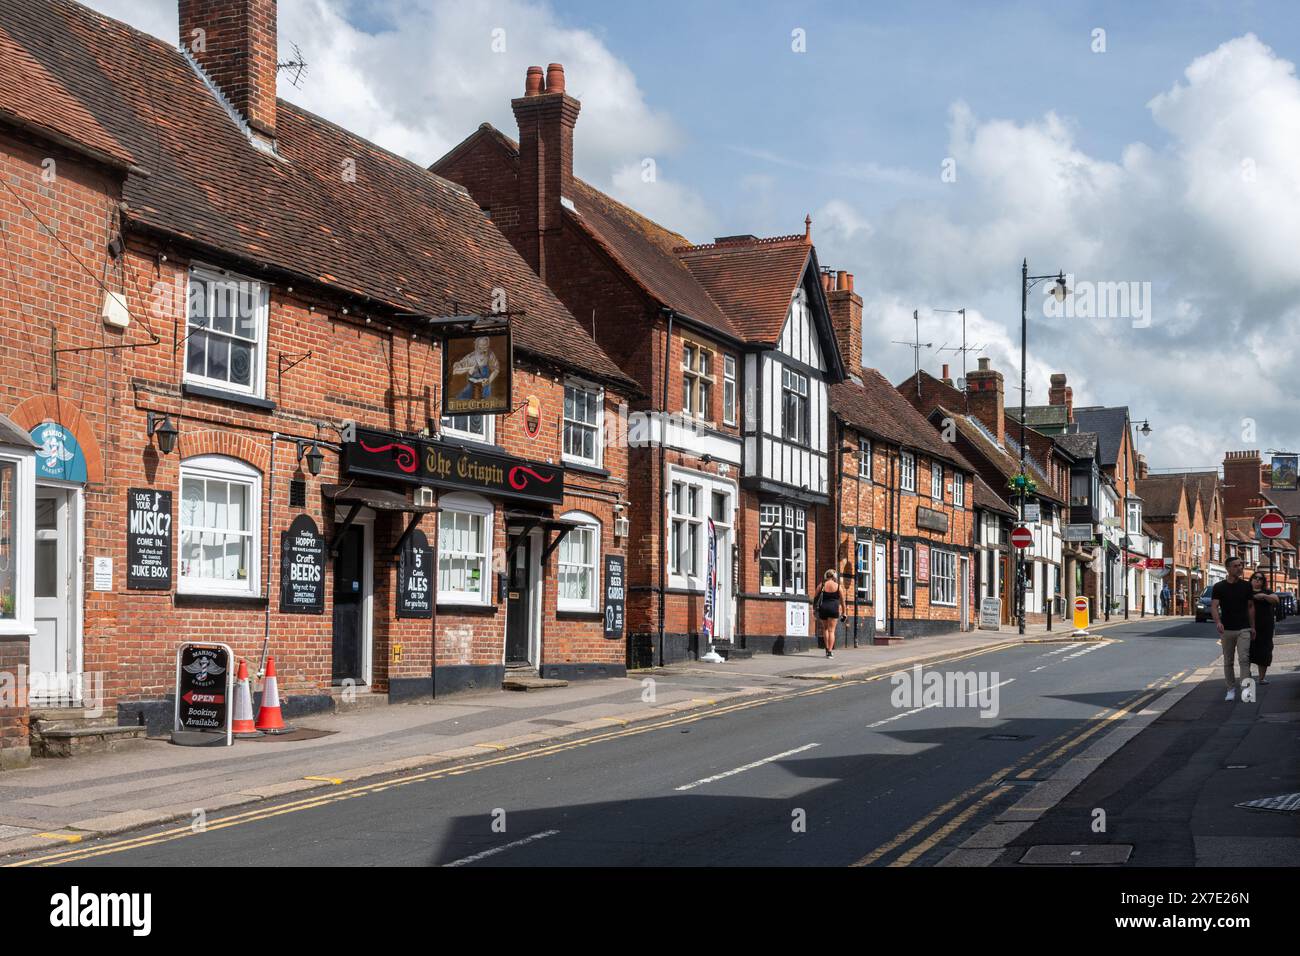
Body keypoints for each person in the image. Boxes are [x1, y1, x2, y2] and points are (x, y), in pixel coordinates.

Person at [1210, 557, 1255, 701]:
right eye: (1236, 566)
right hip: (1227, 629)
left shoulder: (1247, 586)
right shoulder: (1219, 587)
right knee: (1228, 661)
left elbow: (1250, 607)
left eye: (1241, 565)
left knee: (1244, 659)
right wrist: (1218, 622)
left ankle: (1246, 691)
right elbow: (1214, 606)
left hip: (1244, 628)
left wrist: (1252, 627)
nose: (1240, 568)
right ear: (1228, 569)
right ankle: (1230, 689)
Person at [1248, 570, 1277, 685]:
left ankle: (1261, 678)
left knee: (1265, 651)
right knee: (1247, 652)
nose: (1257, 580)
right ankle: (1247, 675)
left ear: (1263, 582)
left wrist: (1264, 596)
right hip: (1248, 626)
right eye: (1255, 578)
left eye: (1260, 579)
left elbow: (1276, 599)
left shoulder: (1267, 592)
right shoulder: (1246, 592)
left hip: (1265, 627)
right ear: (1251, 580)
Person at [814, 569, 842, 659]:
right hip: (834, 609)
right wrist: (845, 612)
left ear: (826, 576)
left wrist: (814, 609)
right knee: (831, 631)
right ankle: (830, 652)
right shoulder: (838, 586)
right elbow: (843, 601)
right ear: (834, 577)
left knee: (825, 629)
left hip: (823, 608)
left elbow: (815, 597)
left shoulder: (821, 585)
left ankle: (826, 649)